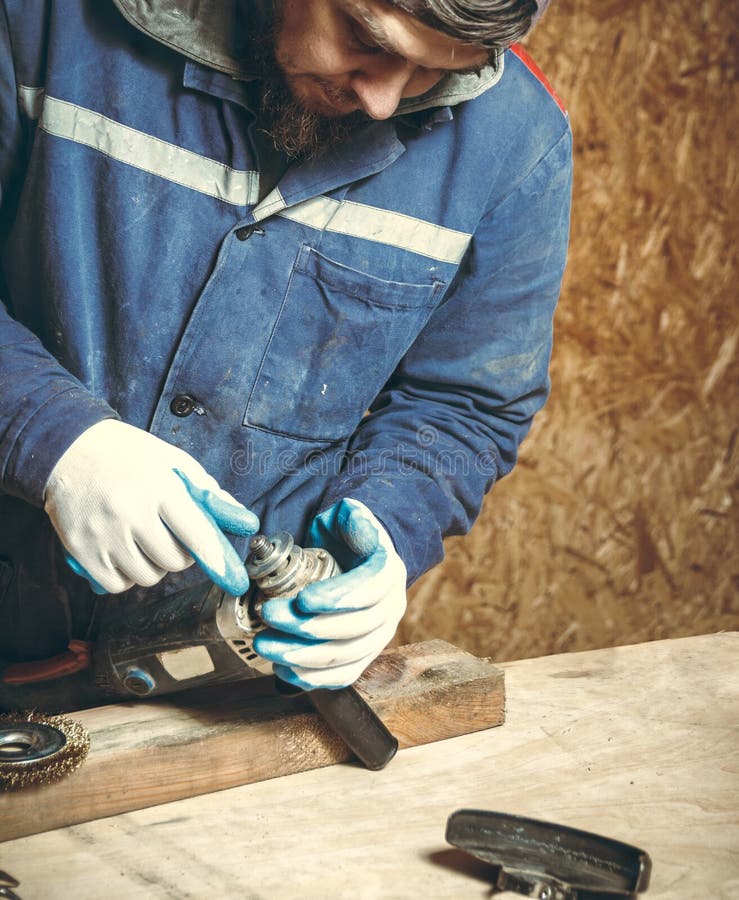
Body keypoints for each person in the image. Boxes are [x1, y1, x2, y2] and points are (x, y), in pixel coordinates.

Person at [0, 0, 571, 710]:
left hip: (234, 679)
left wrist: (391, 529)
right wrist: (55, 439)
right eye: (364, 39)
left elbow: (463, 404)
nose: (383, 99)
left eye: (434, 73)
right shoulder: (41, 22)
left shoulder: (517, 139)